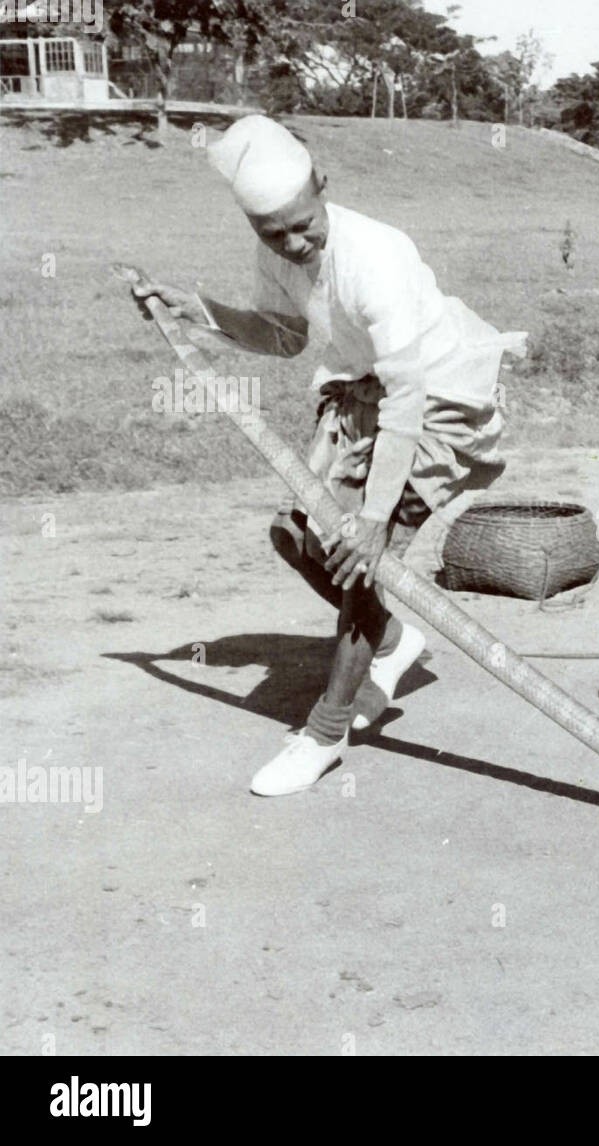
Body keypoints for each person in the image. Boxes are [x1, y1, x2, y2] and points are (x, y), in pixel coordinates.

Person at [132, 115, 526, 797]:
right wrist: (198, 310)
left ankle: (326, 731)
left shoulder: (375, 254)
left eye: (301, 222)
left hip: (438, 401)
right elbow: (286, 336)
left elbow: (410, 397)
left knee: (362, 560)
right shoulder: (277, 254)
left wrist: (375, 518)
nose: (293, 241)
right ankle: (396, 641)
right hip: (367, 395)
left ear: (322, 186)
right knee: (296, 535)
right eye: (272, 231)